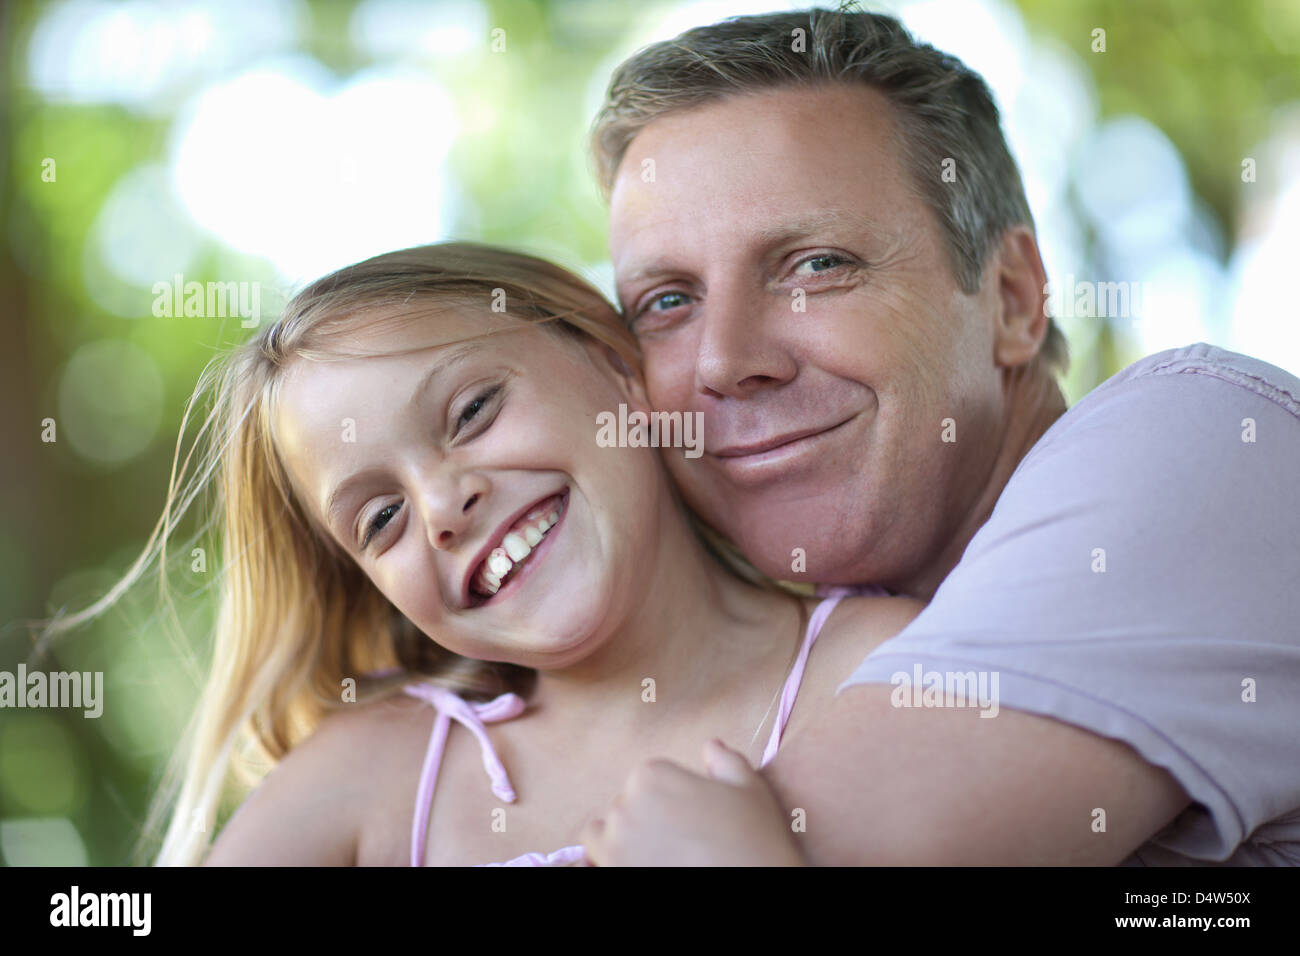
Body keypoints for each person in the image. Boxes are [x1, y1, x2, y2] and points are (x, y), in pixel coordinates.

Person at [579, 7, 1300, 865]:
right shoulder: (809, 648)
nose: (727, 362)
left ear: (1013, 299)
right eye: (667, 301)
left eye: (817, 264)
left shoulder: (1205, 443)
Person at [43, 242, 926, 866]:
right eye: (381, 519)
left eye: (471, 414)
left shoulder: (878, 669)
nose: (440, 506)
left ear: (609, 359)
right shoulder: (371, 777)